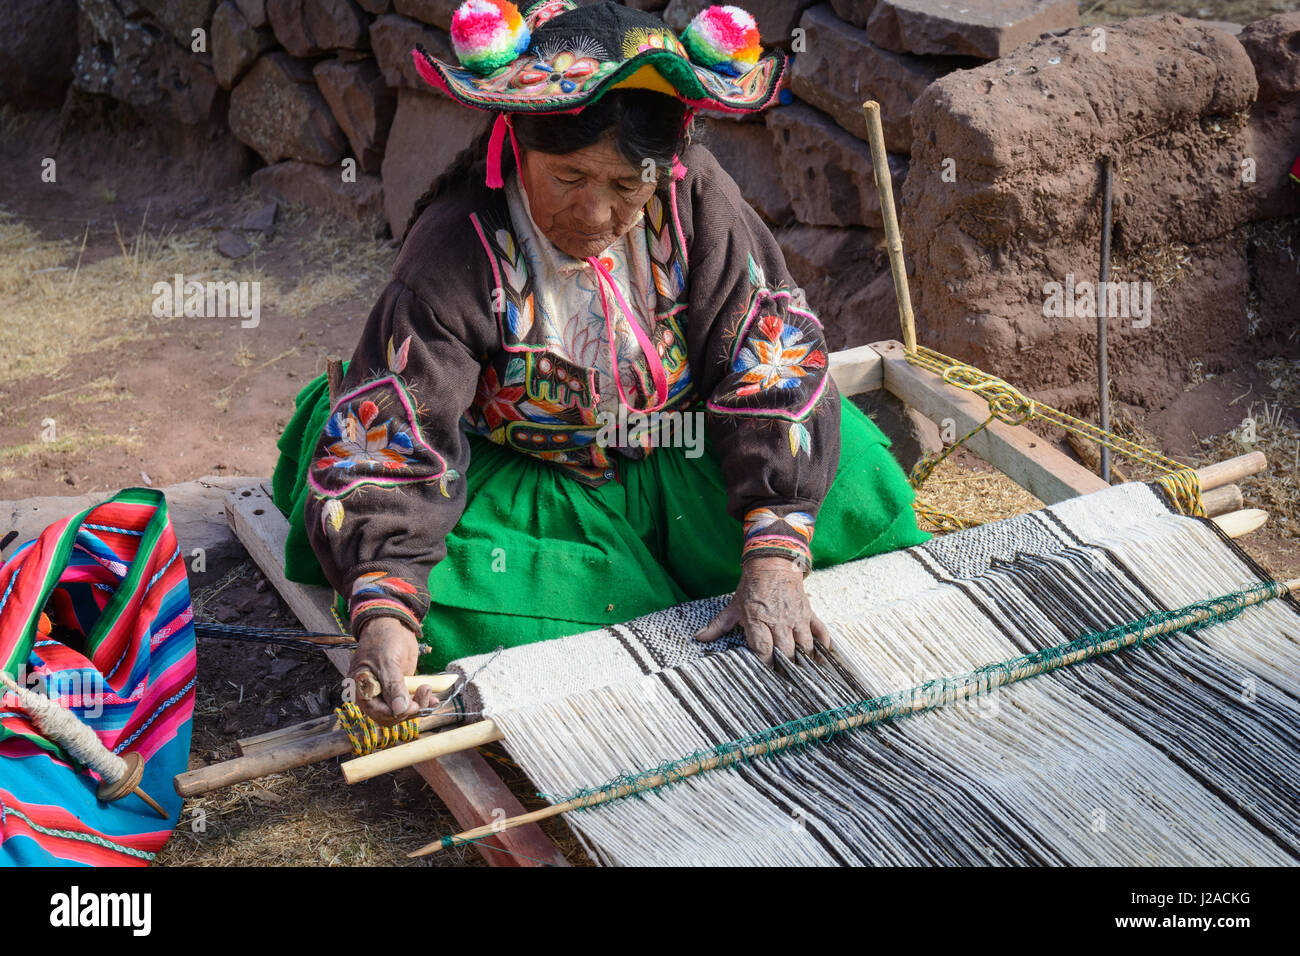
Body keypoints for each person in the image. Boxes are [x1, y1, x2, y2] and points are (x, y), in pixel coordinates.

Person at [272, 0, 929, 724]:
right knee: (487, 620)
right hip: (531, 479)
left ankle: (722, 559)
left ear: (666, 169)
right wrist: (386, 619)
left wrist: (773, 556)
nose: (594, 216)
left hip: (684, 449)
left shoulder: (698, 198)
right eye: (568, 178)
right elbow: (403, 428)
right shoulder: (455, 246)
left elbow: (767, 358)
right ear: (516, 146)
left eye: (627, 187)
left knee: (859, 483)